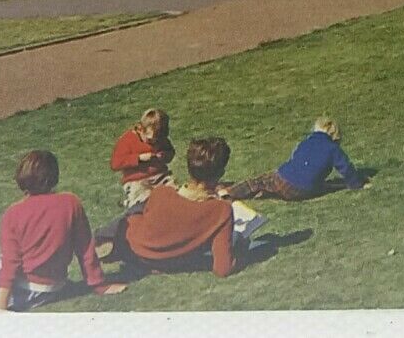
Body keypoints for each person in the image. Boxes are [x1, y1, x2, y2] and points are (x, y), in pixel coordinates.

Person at [0, 150, 124, 312]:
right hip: (54, 284)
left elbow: (11, 263)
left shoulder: (13, 213)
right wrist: (99, 285)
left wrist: (1, 307)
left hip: (27, 287)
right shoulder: (71, 203)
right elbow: (85, 248)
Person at [121, 137, 242, 278]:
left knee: (136, 212)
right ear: (220, 173)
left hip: (136, 250)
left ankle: (102, 239)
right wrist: (242, 253)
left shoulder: (161, 192)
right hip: (169, 261)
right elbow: (223, 269)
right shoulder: (220, 211)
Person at [227, 117, 368, 201]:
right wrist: (356, 184)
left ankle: (228, 193)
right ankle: (268, 191)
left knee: (259, 181)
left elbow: (295, 157)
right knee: (326, 185)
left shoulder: (307, 142)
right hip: (307, 190)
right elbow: (346, 168)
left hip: (286, 180)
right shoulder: (333, 149)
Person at [110, 109, 175, 210]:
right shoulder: (128, 139)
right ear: (140, 129)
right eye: (149, 140)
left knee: (174, 194)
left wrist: (164, 155)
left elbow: (170, 152)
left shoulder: (160, 138)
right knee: (144, 200)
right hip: (137, 180)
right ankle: (132, 200)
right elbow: (115, 163)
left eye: (157, 140)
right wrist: (139, 158)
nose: (153, 143)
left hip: (160, 176)